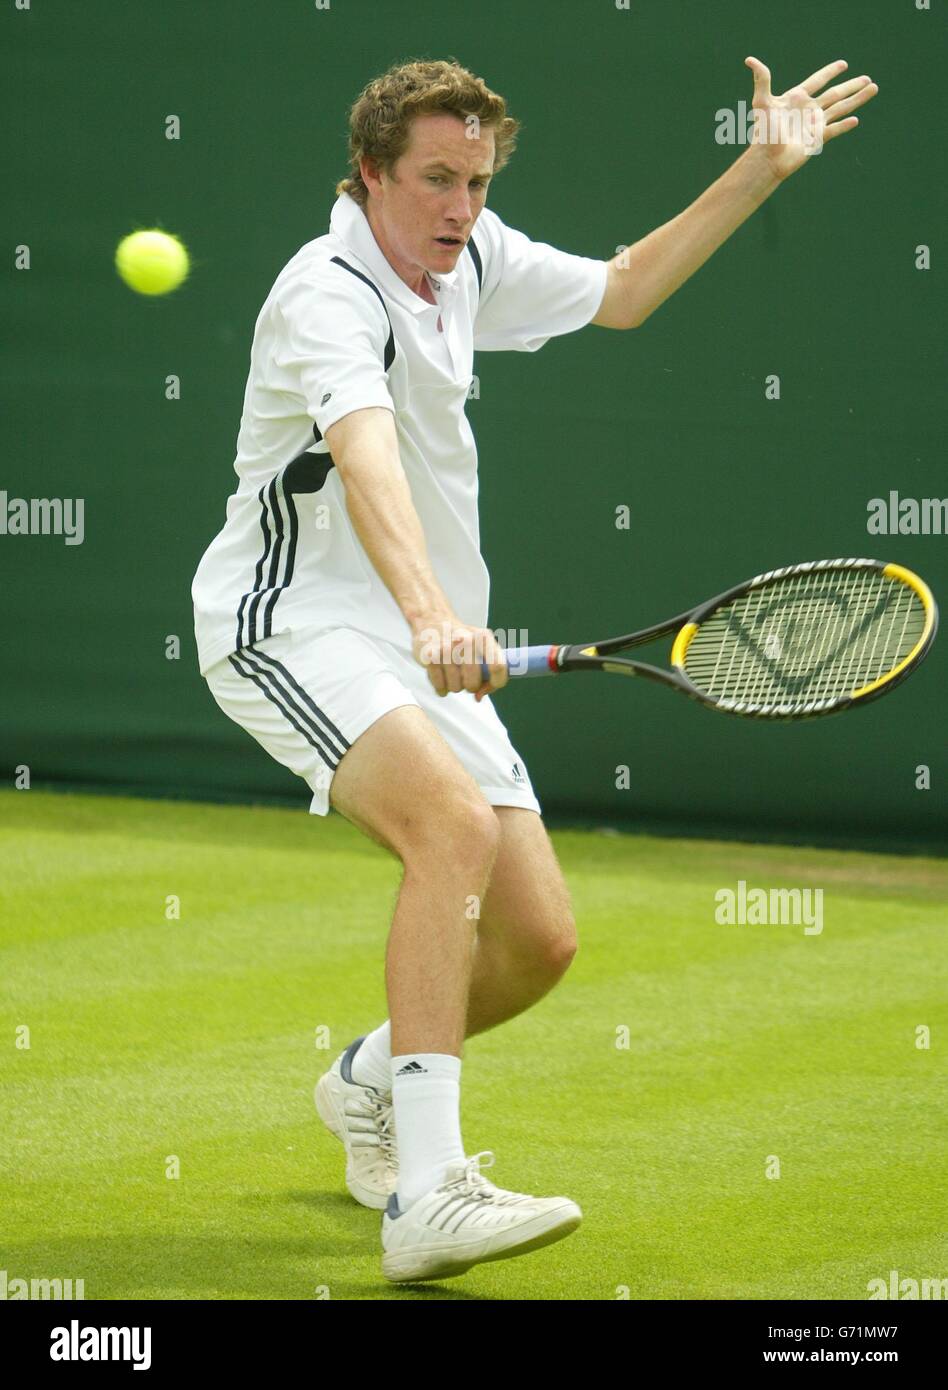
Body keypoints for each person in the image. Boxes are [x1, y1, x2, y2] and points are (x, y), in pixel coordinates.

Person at [191, 56, 877, 1282]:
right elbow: (366, 456)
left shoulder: (474, 259)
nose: (460, 207)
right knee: (450, 829)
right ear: (369, 175)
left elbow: (620, 291)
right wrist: (430, 612)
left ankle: (367, 1086)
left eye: (477, 180)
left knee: (537, 943)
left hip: (421, 634)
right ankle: (429, 1198)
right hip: (290, 623)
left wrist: (761, 168)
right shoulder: (325, 295)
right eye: (436, 181)